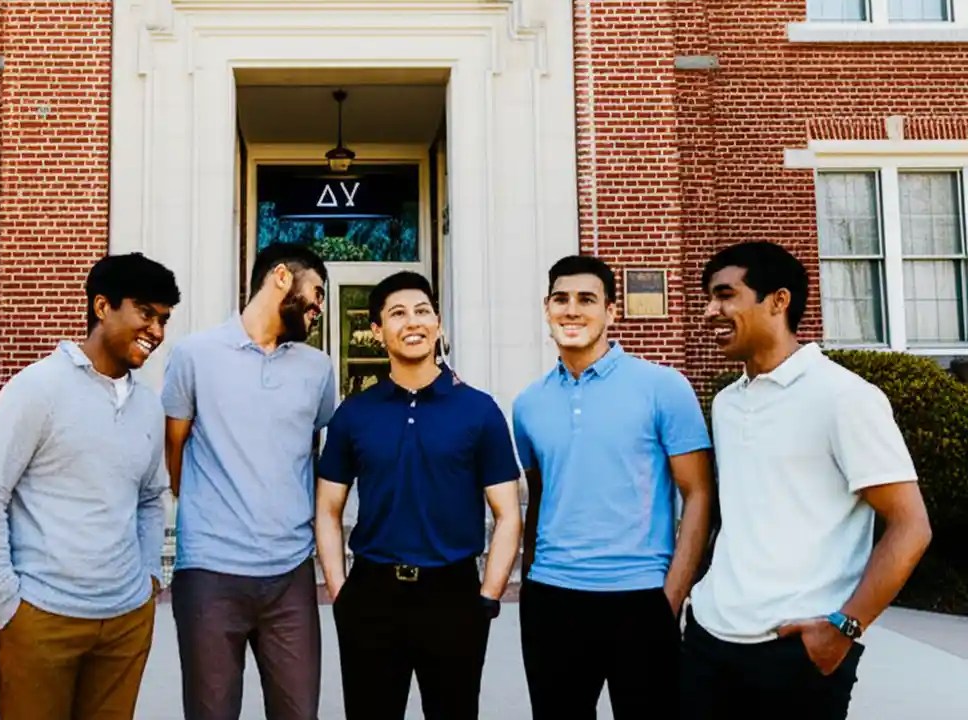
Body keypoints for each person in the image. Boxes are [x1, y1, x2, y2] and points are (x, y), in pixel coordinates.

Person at [681, 241, 932, 719]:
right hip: (708, 640)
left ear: (779, 300)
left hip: (796, 652)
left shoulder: (844, 397)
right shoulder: (728, 403)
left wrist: (844, 629)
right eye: (708, 299)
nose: (710, 312)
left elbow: (911, 526)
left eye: (725, 295)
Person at [0, 253, 179, 720]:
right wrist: (8, 603)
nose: (157, 331)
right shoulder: (37, 389)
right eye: (145, 313)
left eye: (163, 319)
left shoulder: (148, 406)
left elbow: (149, 498)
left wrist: (147, 581)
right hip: (42, 616)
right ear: (102, 306)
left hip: (125, 619)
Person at [511, 254, 715, 719]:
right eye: (560, 299)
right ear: (547, 308)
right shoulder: (528, 404)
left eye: (587, 299)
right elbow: (539, 496)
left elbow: (699, 493)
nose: (572, 310)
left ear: (611, 312)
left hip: (641, 600)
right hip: (553, 598)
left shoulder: (664, 387)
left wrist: (673, 596)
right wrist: (529, 585)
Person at [315, 271, 522, 719]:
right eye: (398, 314)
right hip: (372, 594)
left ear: (439, 324)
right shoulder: (354, 414)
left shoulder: (479, 409)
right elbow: (328, 510)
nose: (413, 322)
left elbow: (507, 514)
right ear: (377, 331)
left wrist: (487, 595)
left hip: (453, 594)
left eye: (423, 311)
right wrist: (340, 592)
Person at [162, 241, 336, 720]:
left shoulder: (318, 370)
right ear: (281, 276)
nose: (320, 307)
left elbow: (312, 452)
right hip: (210, 574)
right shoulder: (193, 355)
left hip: (290, 577)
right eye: (317, 292)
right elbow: (173, 451)